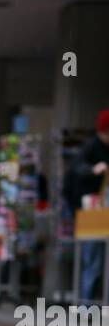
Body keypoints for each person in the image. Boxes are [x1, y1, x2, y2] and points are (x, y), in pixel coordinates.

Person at [65, 109, 109, 303]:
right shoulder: (90, 147)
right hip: (91, 212)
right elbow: (76, 169)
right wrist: (94, 169)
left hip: (102, 210)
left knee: (97, 260)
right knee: (93, 259)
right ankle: (86, 304)